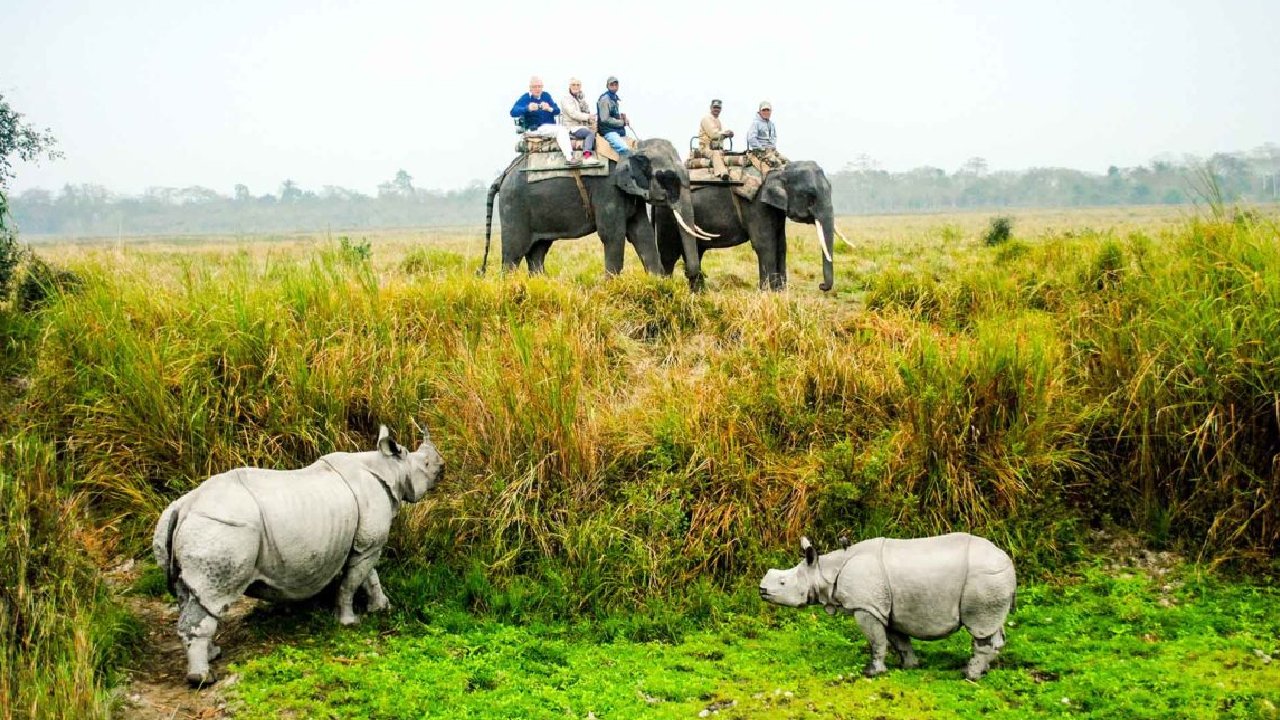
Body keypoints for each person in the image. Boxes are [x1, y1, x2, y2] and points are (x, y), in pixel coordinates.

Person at [510, 76, 578, 165]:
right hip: (534, 128)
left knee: (564, 130)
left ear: (542, 87)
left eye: (539, 86)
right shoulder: (525, 98)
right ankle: (570, 158)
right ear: (530, 88)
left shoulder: (546, 96)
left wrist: (549, 108)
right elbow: (513, 112)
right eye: (534, 87)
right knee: (561, 130)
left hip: (549, 127)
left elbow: (557, 110)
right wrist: (528, 108)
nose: (537, 89)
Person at [559, 77, 597, 161]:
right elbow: (573, 113)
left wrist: (590, 118)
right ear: (569, 86)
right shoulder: (566, 99)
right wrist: (587, 116)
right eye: (573, 85)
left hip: (580, 126)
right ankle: (587, 155)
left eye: (578, 85)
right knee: (590, 133)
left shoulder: (579, 98)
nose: (576, 87)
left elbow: (586, 111)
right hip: (572, 127)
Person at [699, 98, 735, 179]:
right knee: (715, 153)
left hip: (717, 147)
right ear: (711, 108)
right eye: (715, 107)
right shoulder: (706, 119)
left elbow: (719, 136)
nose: (716, 109)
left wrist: (727, 135)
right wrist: (726, 133)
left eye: (718, 108)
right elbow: (713, 134)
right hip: (706, 148)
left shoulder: (717, 120)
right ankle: (722, 173)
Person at [746, 100, 788, 170]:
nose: (766, 112)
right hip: (761, 152)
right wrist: (761, 148)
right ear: (760, 111)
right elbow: (751, 138)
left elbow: (774, 137)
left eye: (768, 110)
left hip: (772, 151)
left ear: (771, 111)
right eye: (764, 110)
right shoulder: (756, 123)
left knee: (787, 162)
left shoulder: (771, 124)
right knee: (777, 164)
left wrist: (772, 147)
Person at [596, 76, 629, 157]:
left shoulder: (614, 98)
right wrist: (621, 123)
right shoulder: (605, 99)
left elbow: (612, 114)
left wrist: (622, 118)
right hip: (607, 131)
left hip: (614, 129)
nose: (614, 87)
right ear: (607, 86)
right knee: (624, 148)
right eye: (611, 85)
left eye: (616, 85)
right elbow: (605, 119)